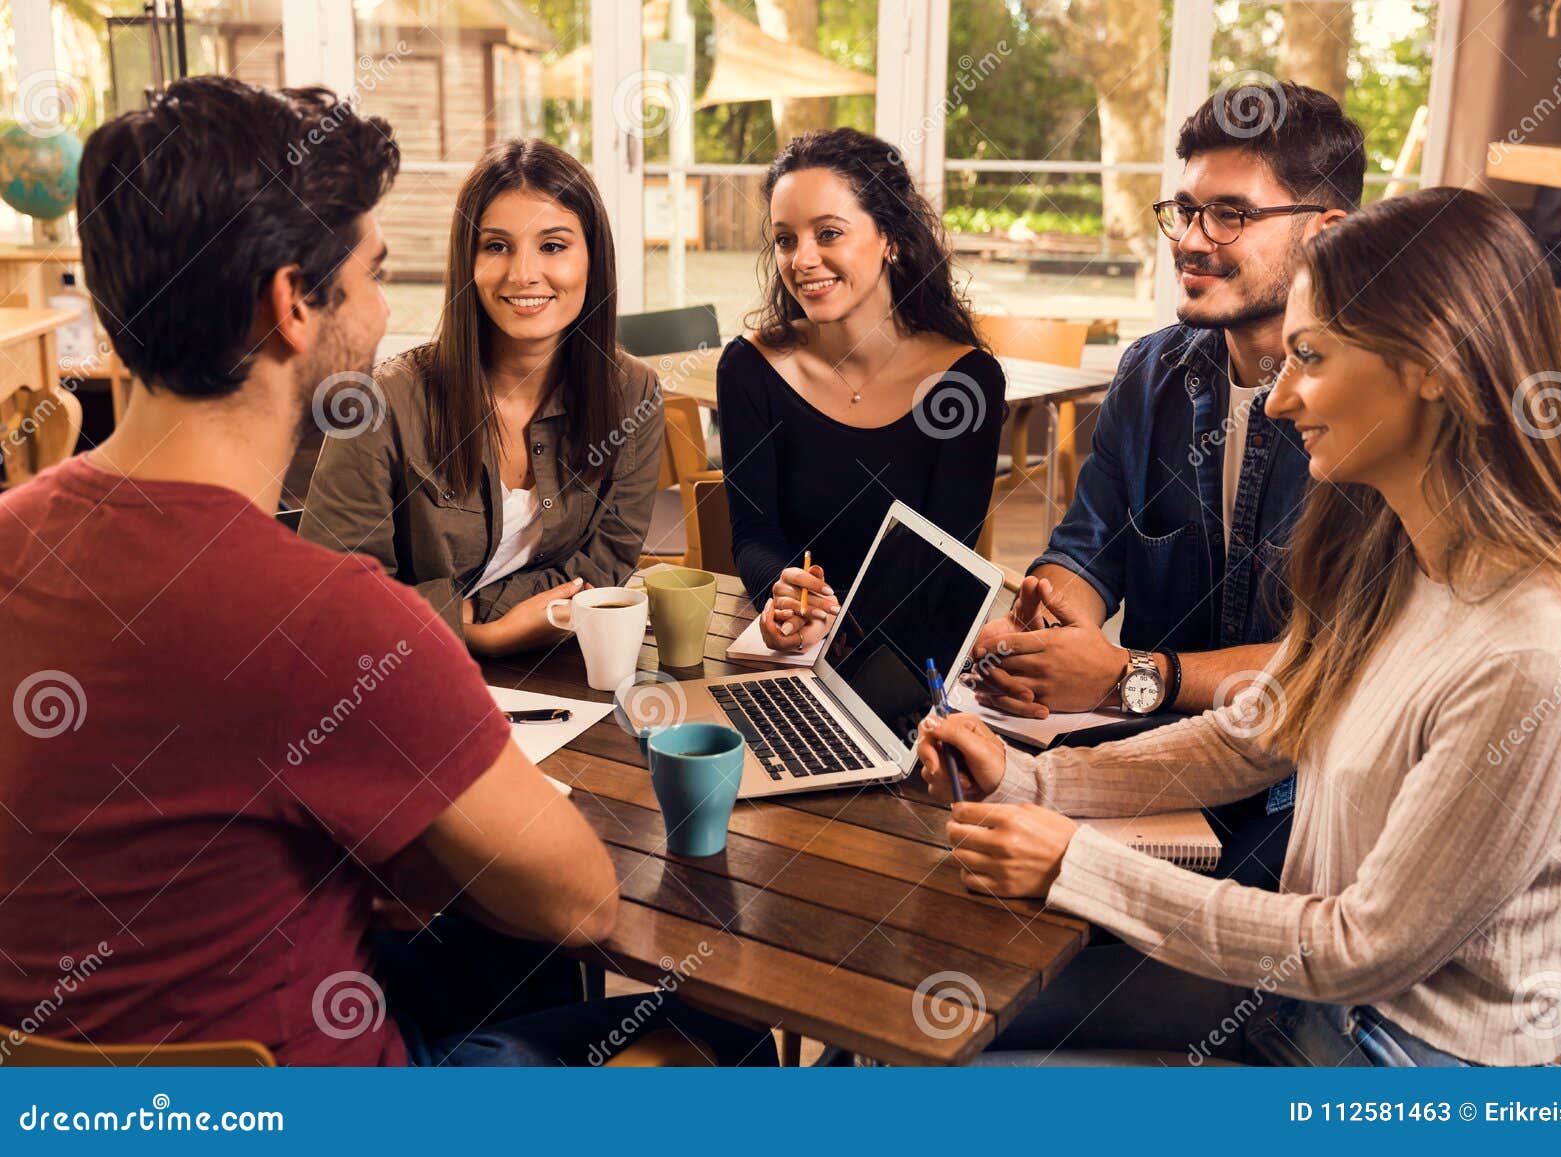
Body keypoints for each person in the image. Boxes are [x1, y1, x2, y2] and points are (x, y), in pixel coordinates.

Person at [0, 76, 769, 1068]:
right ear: (291, 304)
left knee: (488, 955)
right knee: (721, 1029)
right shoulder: (334, 619)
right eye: (373, 268)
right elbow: (579, 900)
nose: (384, 301)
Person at [919, 187, 1561, 1067]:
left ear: (1432, 362)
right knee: (942, 1029)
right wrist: (1025, 778)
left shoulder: (1537, 654)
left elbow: (1366, 945)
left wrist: (1073, 865)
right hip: (1299, 1001)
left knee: (961, 1082)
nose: (1278, 401)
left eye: (1309, 357)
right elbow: (1251, 736)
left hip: (1401, 1061)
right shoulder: (1395, 554)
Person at [969, 82, 1365, 888]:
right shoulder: (1151, 371)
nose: (1190, 238)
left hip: (1296, 792)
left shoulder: (1369, 416)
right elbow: (1088, 547)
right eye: (1182, 211)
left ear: (1326, 233)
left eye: (1230, 214)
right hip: (1141, 749)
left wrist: (1125, 674)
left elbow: (1333, 666)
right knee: (958, 829)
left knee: (1054, 926)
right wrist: (1046, 632)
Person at [300, 140, 664, 659]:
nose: (522, 274)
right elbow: (334, 596)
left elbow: (607, 561)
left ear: (593, 259)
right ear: (466, 260)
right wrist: (482, 634)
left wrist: (483, 612)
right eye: (496, 246)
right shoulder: (382, 402)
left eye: (553, 246)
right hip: (390, 674)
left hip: (555, 668)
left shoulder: (634, 394)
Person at [717, 127, 1005, 653]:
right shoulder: (748, 368)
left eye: (828, 233)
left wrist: (839, 625)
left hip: (908, 658)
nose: (801, 260)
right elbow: (754, 536)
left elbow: (939, 562)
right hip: (793, 651)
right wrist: (782, 596)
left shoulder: (967, 382)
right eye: (786, 239)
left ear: (890, 238)